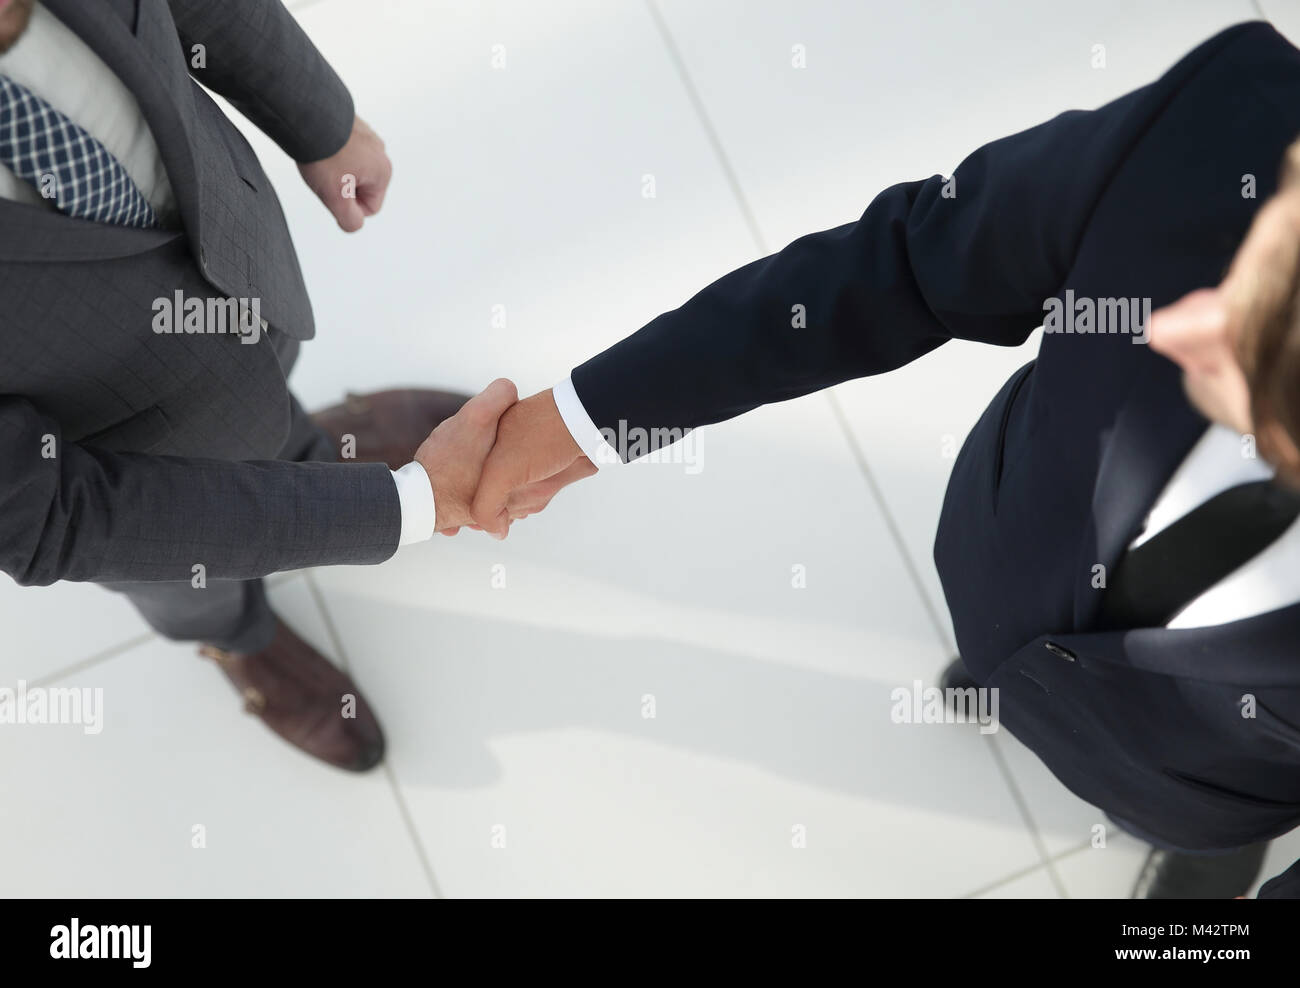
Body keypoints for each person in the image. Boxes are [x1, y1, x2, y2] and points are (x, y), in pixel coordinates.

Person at [468, 19, 1300, 898]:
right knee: (1003, 657)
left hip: (1206, 784)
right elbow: (906, 264)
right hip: (1000, 554)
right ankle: (1001, 676)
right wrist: (589, 421)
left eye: (1257, 350)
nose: (1174, 325)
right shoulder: (1239, 117)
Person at [0, 0, 512, 771]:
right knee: (191, 580)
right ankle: (238, 636)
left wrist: (319, 122)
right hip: (134, 469)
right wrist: (400, 507)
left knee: (272, 383)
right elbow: (51, 516)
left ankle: (307, 443)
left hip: (236, 253)